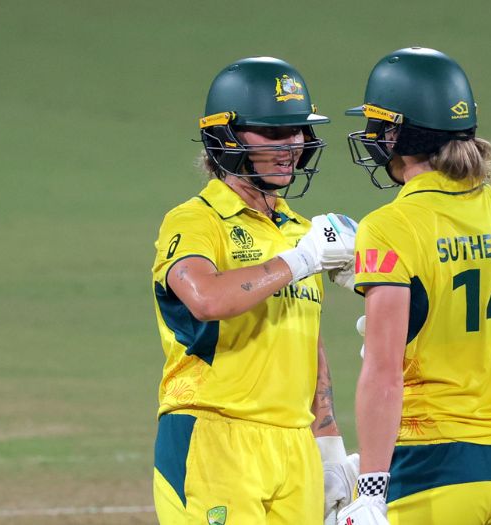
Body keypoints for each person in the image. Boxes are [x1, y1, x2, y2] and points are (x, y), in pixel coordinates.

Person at [336, 47, 491, 525]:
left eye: (379, 125)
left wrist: (371, 490)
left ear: (398, 135)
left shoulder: (391, 226)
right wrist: (467, 352)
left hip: (432, 469)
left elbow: (383, 373)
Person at [151, 56, 359, 525]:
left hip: (295, 446)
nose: (293, 145)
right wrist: (301, 261)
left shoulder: (300, 230)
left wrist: (328, 444)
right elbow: (207, 299)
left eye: (299, 131)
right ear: (225, 138)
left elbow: (307, 343)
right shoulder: (195, 221)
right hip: (214, 436)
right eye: (273, 132)